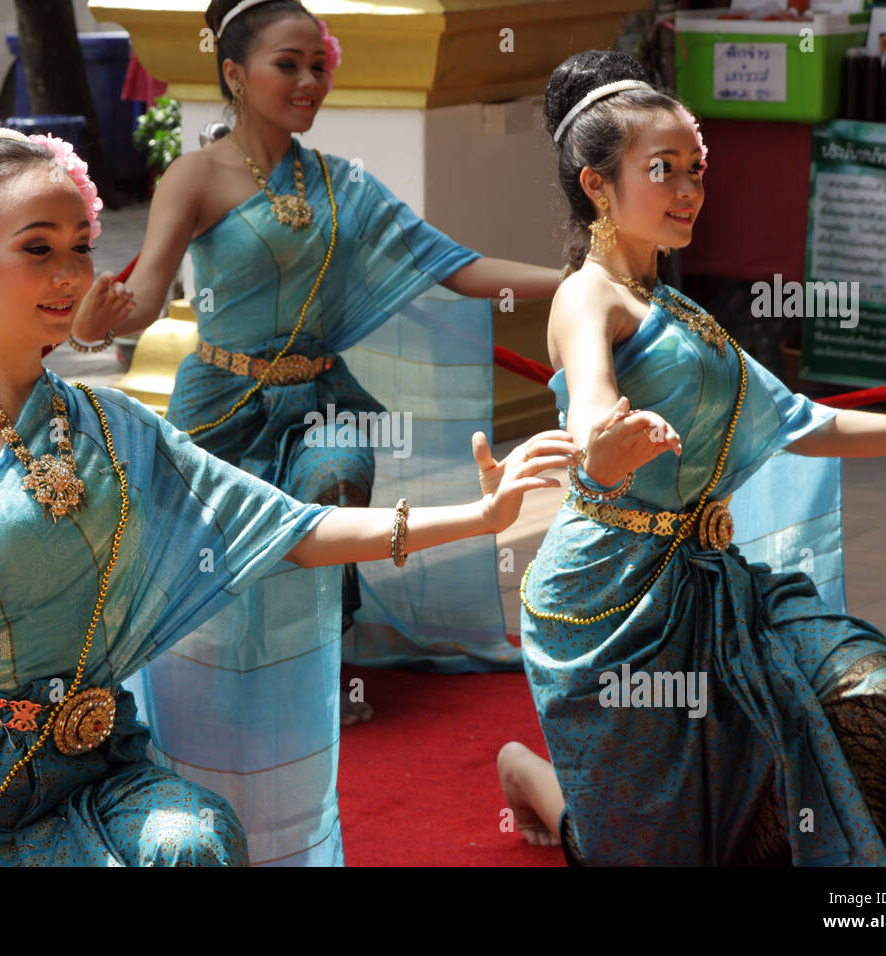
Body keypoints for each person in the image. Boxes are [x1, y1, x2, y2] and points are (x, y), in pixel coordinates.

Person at [0, 107, 579, 866]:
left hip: (97, 764)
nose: (70, 275)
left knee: (193, 843)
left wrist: (480, 515)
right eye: (38, 248)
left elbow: (290, 529)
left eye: (82, 247)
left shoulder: (115, 425)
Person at [496, 50, 886, 865]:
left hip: (714, 584)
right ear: (598, 185)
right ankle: (525, 769)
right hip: (612, 602)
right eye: (663, 170)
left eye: (696, 169)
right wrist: (602, 444)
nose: (690, 190)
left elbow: (806, 421)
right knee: (649, 849)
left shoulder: (682, 311)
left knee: (864, 686)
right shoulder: (586, 293)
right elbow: (592, 397)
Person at [71, 0, 564, 738]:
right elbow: (139, 302)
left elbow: (457, 268)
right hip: (218, 404)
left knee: (334, 484)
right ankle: (229, 671)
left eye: (319, 66)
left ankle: (321, 672)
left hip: (323, 399)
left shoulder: (343, 185)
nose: (309, 81)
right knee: (211, 546)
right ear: (235, 74)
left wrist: (573, 278)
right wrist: (93, 319)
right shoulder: (195, 177)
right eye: (288, 65)